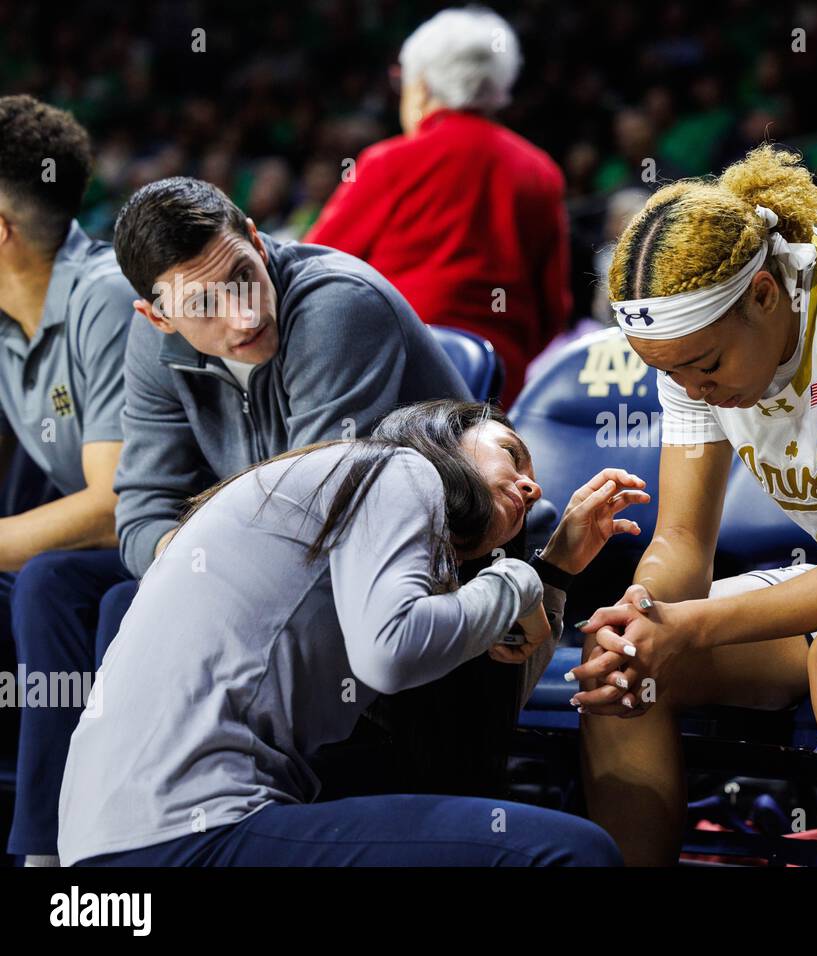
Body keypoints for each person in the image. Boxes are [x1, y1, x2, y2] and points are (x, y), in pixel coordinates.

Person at [19, 175, 471, 866]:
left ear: (258, 241)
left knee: (126, 608)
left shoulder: (336, 306)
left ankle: (185, 832)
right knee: (62, 585)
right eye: (203, 301)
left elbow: (308, 521)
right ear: (157, 318)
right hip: (288, 555)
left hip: (424, 558)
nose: (240, 314)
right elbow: (139, 507)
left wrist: (193, 572)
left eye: (243, 274)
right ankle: (62, 851)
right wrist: (186, 563)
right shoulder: (154, 348)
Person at [58, 400, 647, 866]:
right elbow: (391, 655)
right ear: (444, 436)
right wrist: (516, 579)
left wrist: (552, 572)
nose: (532, 486)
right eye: (511, 455)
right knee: (573, 851)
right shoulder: (397, 466)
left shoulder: (360, 532)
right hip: (182, 835)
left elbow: (479, 712)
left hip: (120, 848)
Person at [569, 145, 817, 867]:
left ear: (766, 295)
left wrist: (689, 622)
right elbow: (681, 540)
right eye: (670, 374)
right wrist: (644, 616)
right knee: (621, 661)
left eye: (705, 367)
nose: (693, 389)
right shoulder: (692, 340)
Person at [306, 6, 571, 405]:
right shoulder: (540, 171)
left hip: (394, 377)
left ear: (423, 86)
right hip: (500, 389)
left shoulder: (389, 162)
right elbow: (553, 308)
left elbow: (315, 270)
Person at [0, 95, 136, 866]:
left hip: (177, 539)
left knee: (52, 578)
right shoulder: (6, 316)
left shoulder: (103, 296)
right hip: (91, 544)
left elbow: (114, 508)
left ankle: (49, 857)